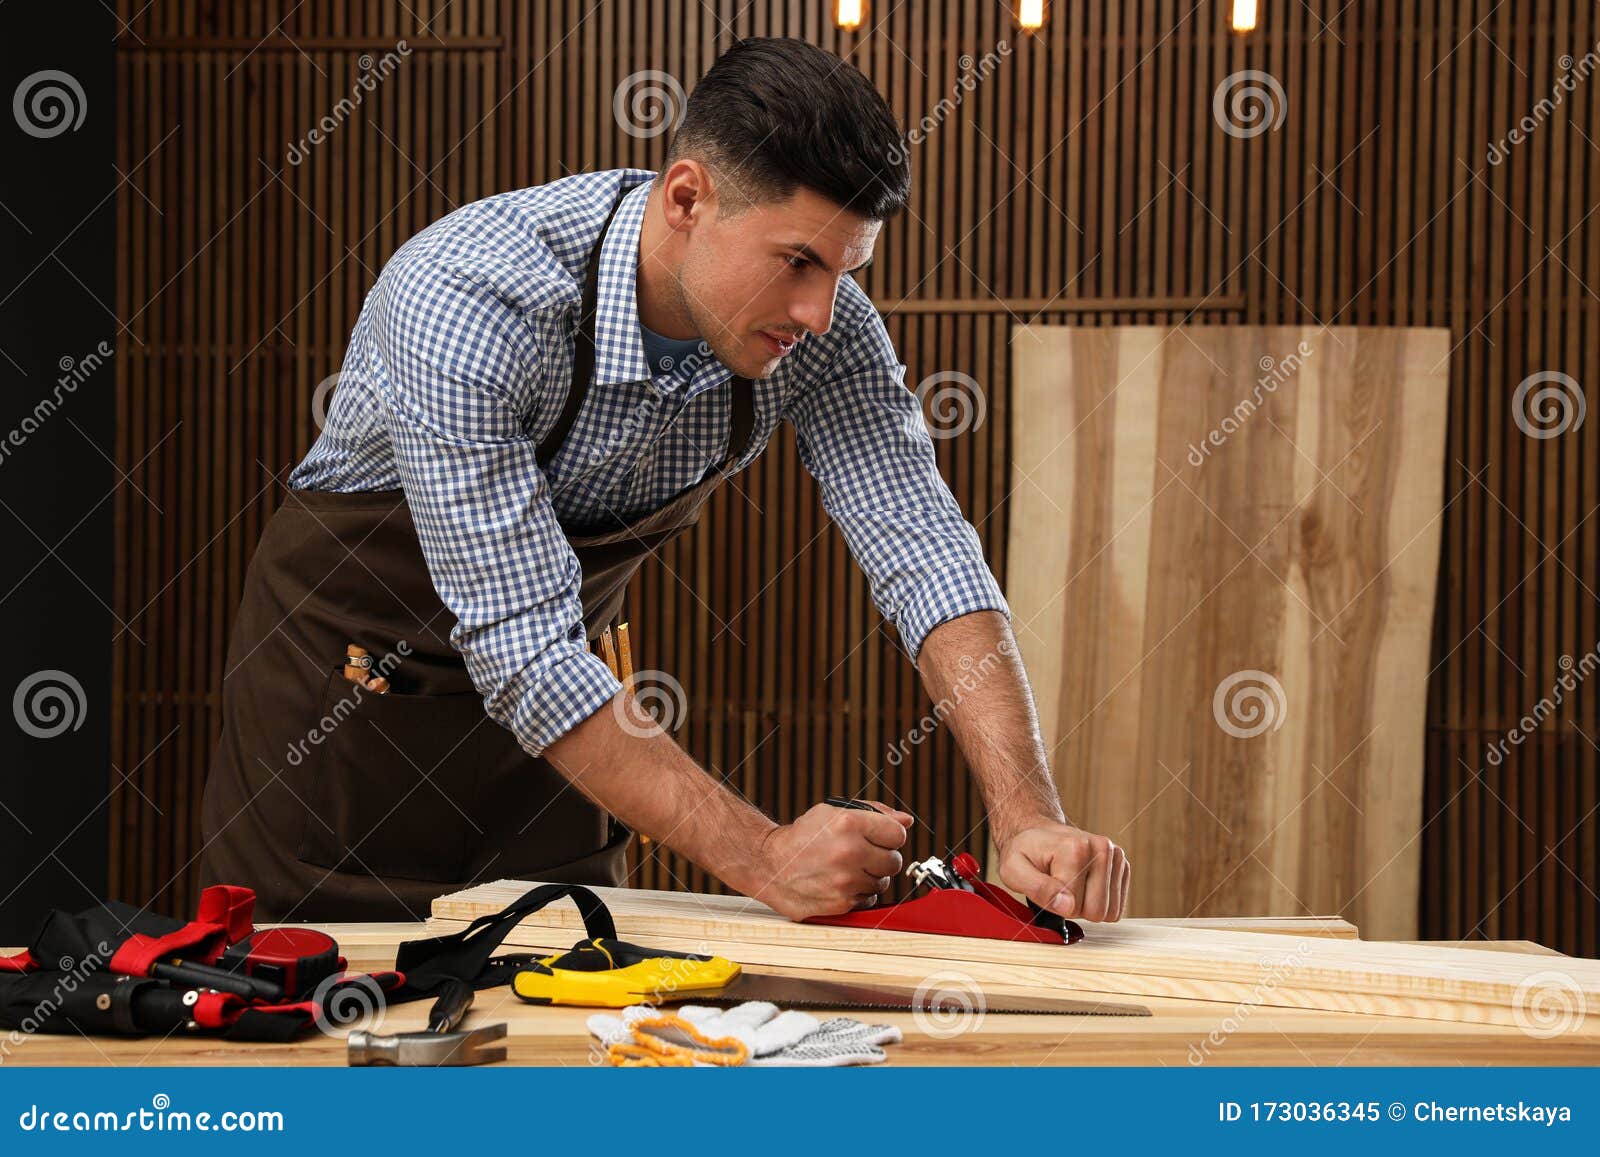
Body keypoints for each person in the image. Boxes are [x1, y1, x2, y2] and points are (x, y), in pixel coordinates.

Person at [200, 37, 1130, 926]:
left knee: (574, 1042)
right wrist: (766, 856)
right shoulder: (469, 297)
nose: (820, 310)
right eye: (797, 261)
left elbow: (923, 549)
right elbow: (524, 649)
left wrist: (1027, 814)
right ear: (687, 197)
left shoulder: (821, 325)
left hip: (564, 757)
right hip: (342, 729)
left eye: (845, 270)